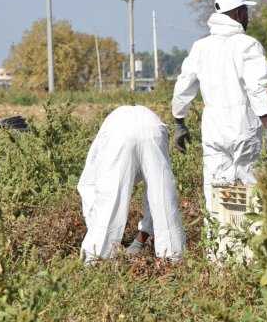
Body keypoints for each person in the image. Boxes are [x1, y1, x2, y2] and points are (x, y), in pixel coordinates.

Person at [172, 0, 267, 217]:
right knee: (250, 191)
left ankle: (217, 250)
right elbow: (256, 88)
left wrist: (179, 121)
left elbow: (184, 85)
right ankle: (251, 247)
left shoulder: (201, 47)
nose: (248, 16)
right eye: (246, 11)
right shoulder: (248, 45)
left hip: (213, 131)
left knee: (216, 193)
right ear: (238, 13)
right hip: (243, 129)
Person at [78, 106, 186, 263]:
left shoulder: (93, 177)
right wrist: (139, 241)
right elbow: (155, 199)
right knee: (162, 195)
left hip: (120, 131)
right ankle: (173, 257)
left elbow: (100, 200)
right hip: (153, 128)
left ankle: (97, 260)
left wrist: (99, 233)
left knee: (109, 200)